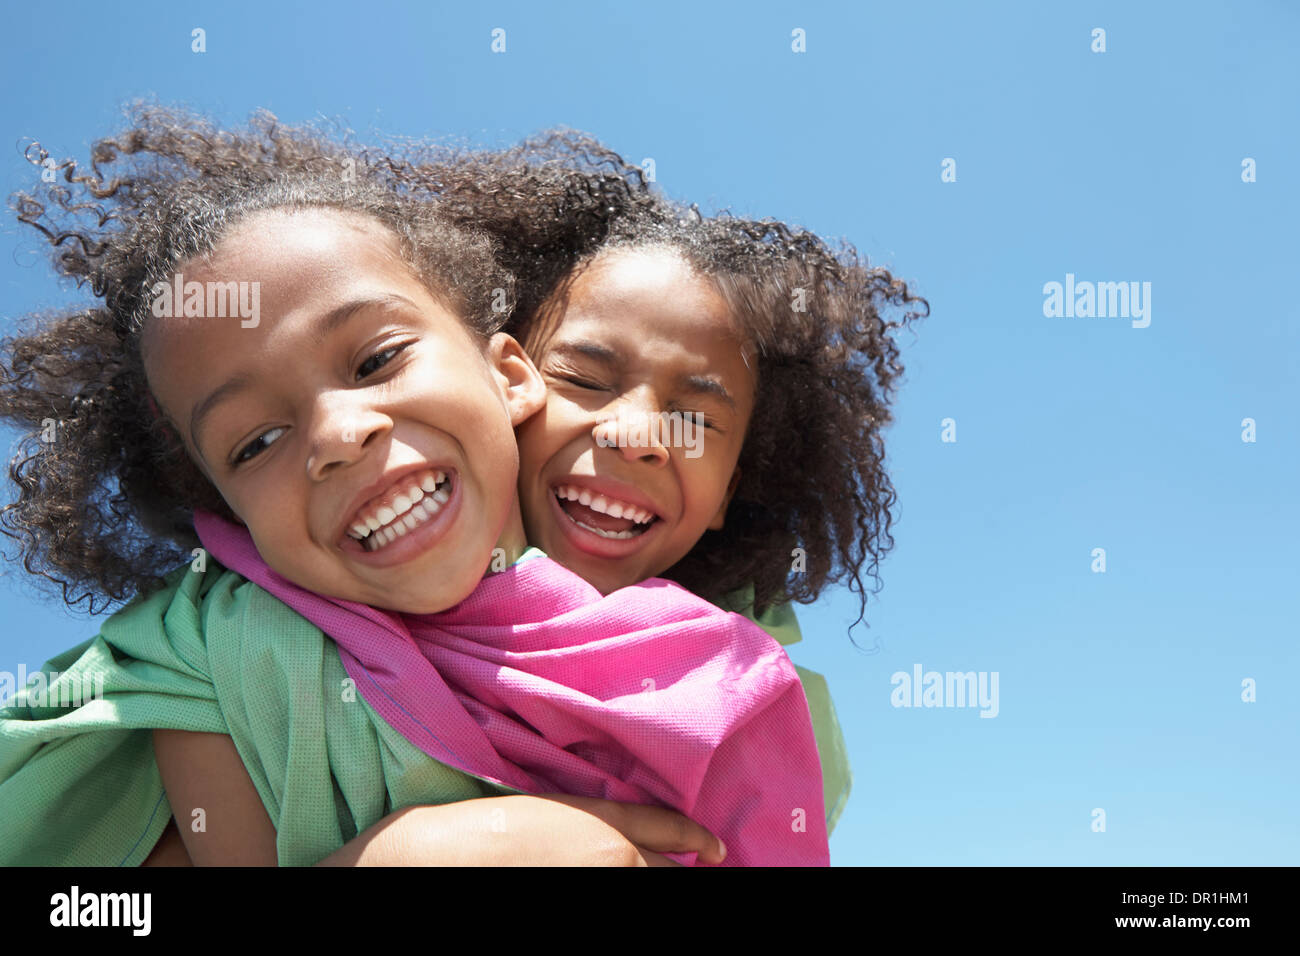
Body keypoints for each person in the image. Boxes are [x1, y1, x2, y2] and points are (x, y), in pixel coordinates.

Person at [0, 108, 829, 866]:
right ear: (231, 513)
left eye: (376, 360)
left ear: (507, 374)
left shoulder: (725, 680)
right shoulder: (209, 663)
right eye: (256, 442)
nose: (336, 434)